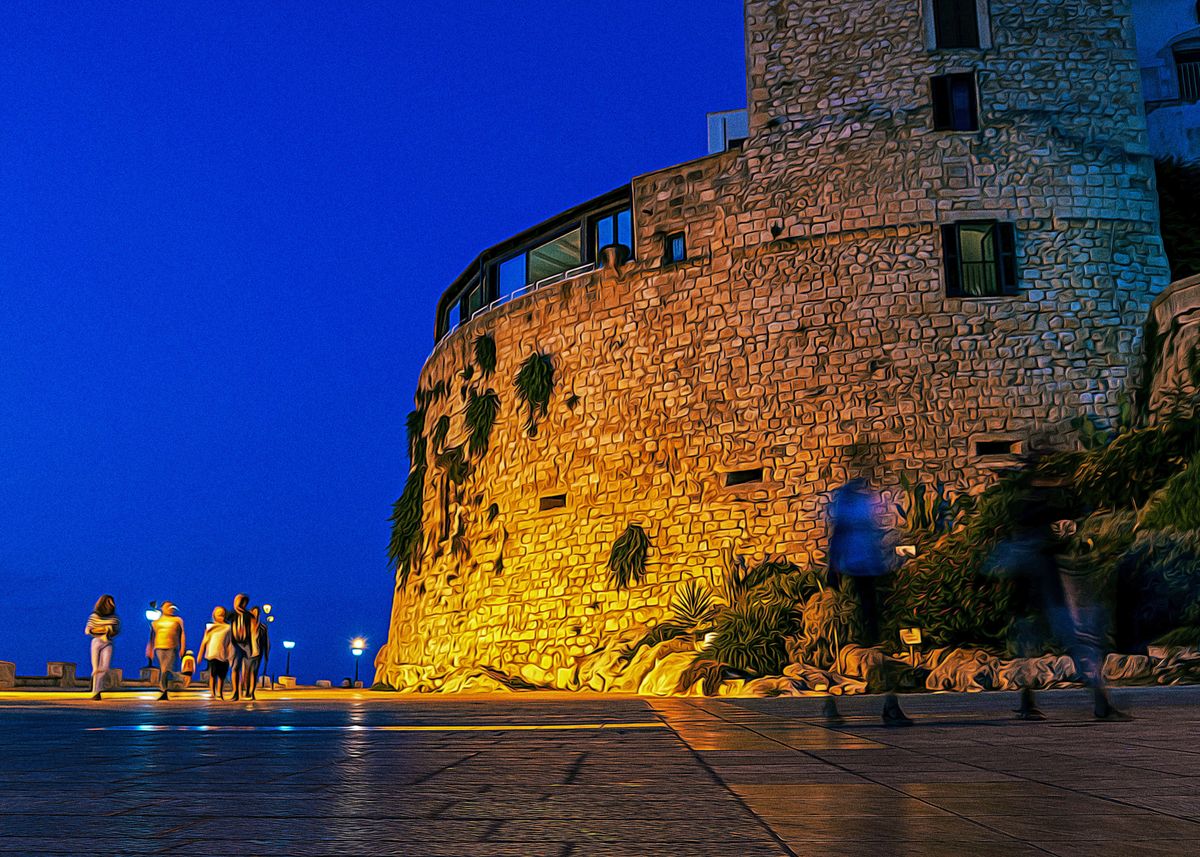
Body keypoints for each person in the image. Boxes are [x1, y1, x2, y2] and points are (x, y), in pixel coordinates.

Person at [993, 479, 1129, 722]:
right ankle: (1101, 704)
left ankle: (1028, 702)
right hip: (1053, 606)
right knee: (1080, 649)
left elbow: (1006, 577)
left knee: (1027, 655)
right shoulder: (1041, 549)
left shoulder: (1022, 549)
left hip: (1029, 609)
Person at [825, 473, 912, 726]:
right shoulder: (852, 505)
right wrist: (834, 568)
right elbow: (841, 534)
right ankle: (887, 704)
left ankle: (886, 703)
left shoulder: (855, 503)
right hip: (860, 575)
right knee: (874, 638)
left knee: (873, 639)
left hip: (867, 574)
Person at [146, 602, 185, 701]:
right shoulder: (156, 622)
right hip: (159, 647)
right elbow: (152, 636)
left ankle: (168, 686)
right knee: (164, 668)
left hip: (172, 647)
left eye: (172, 607)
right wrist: (150, 648)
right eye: (168, 606)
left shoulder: (177, 620)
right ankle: (165, 689)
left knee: (166, 668)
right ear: (162, 608)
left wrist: (182, 647)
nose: (170, 609)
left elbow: (182, 634)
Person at [85, 595, 121, 701]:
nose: (111, 605)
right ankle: (96, 691)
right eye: (108, 602)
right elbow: (87, 630)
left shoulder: (114, 617)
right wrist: (104, 629)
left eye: (112, 602)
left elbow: (116, 630)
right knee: (96, 668)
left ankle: (97, 689)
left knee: (104, 668)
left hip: (108, 642)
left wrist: (108, 630)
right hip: (97, 641)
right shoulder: (94, 616)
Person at [196, 606, 235, 700]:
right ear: (214, 615)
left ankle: (220, 693)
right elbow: (204, 641)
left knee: (222, 675)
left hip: (223, 654)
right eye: (218, 613)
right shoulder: (210, 627)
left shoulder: (228, 627)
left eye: (222, 613)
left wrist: (231, 656)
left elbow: (230, 642)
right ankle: (213, 692)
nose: (220, 615)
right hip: (212, 653)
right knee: (213, 674)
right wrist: (200, 654)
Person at [228, 593, 259, 702]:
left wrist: (255, 648)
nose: (238, 603)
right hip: (235, 644)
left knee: (250, 669)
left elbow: (253, 631)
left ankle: (250, 692)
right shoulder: (231, 614)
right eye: (236, 600)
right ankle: (236, 692)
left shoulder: (249, 616)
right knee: (235, 668)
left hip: (247, 644)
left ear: (245, 603)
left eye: (240, 601)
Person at [246, 606, 271, 698]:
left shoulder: (263, 627)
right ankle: (246, 689)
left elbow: (266, 641)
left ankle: (251, 691)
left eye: (257, 614)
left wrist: (266, 654)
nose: (255, 615)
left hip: (257, 653)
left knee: (254, 672)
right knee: (247, 672)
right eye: (253, 613)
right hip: (246, 653)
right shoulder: (245, 627)